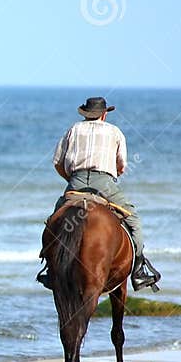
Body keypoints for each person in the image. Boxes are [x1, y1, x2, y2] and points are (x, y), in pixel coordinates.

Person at [37, 97, 161, 291]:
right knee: (134, 220)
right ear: (104, 114)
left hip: (75, 182)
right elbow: (121, 166)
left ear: (86, 114)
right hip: (104, 184)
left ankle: (50, 269)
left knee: (54, 220)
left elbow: (57, 162)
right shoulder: (114, 131)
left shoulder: (73, 129)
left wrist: (70, 180)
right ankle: (138, 271)